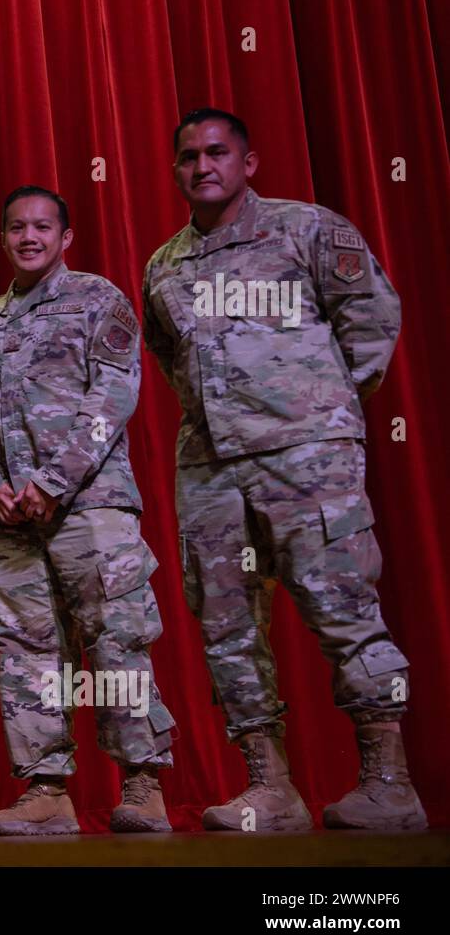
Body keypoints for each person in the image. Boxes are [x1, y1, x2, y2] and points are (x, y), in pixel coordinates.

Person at [143, 107, 424, 831]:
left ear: (248, 161)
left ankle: (389, 781)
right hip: (209, 467)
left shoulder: (308, 230)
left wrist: (316, 410)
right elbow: (171, 357)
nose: (202, 166)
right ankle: (271, 787)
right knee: (226, 624)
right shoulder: (164, 265)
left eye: (216, 153)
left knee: (344, 609)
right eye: (188, 157)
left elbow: (370, 324)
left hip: (307, 457)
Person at [0, 187, 176, 836]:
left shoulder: (97, 299)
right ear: (3, 238)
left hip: (91, 509)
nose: (29, 236)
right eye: (17, 227)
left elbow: (113, 395)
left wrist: (53, 481)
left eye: (42, 226)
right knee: (28, 653)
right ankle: (46, 791)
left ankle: (142, 785)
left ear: (66, 235)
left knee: (116, 644)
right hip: (14, 522)